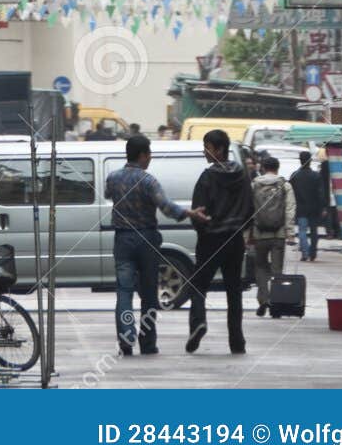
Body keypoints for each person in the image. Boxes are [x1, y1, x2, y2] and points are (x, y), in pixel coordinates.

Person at [106, 134, 207, 357]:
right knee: (149, 293)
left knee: (124, 291)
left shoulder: (112, 178)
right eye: (149, 154)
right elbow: (166, 206)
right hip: (146, 239)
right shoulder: (148, 181)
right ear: (142, 155)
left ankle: (126, 339)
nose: (150, 158)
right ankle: (147, 342)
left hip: (122, 240)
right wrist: (189, 213)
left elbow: (107, 194)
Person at [185, 129, 255, 356]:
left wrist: (203, 230)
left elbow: (198, 212)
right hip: (235, 241)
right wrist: (242, 229)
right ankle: (237, 341)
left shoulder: (208, 177)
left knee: (198, 285)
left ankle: (198, 323)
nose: (205, 152)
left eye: (208, 148)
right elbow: (250, 209)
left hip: (211, 240)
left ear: (219, 149)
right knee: (234, 291)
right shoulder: (242, 175)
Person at [248, 154, 295, 316]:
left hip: (259, 234)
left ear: (263, 168)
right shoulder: (285, 185)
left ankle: (263, 300)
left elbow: (248, 209)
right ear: (277, 168)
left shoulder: (254, 184)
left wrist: (247, 234)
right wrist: (290, 232)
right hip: (278, 234)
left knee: (260, 268)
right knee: (277, 270)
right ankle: (276, 304)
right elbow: (290, 209)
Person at [290, 151, 324, 261]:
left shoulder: (295, 176)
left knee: (302, 231)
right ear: (310, 161)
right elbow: (320, 193)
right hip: (314, 208)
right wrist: (323, 207)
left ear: (300, 160)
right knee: (314, 231)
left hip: (300, 208)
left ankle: (305, 253)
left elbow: (291, 194)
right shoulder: (316, 176)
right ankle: (312, 252)